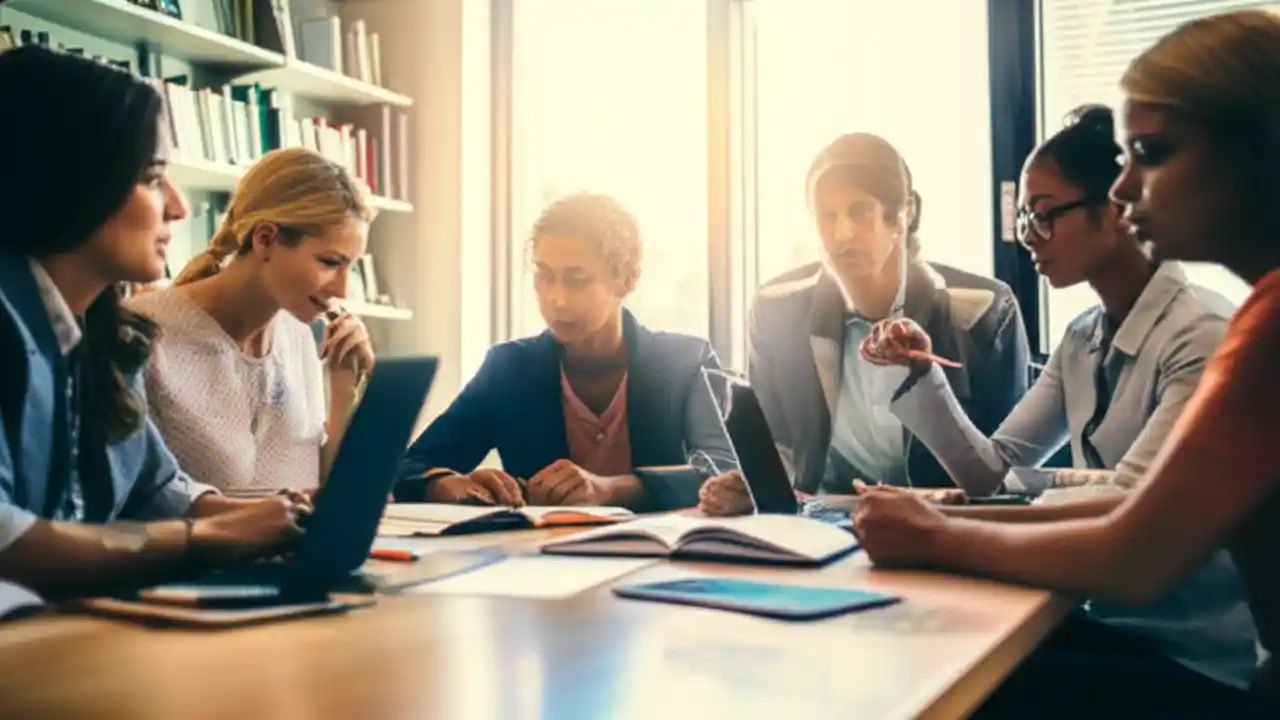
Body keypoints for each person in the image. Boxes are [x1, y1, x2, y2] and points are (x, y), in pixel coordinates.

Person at [853, 10, 1280, 715]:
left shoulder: (1223, 331)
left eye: (1151, 151)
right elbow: (996, 475)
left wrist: (939, 533)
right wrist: (922, 384)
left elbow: (1134, 544)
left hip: (1206, 667)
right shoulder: (1088, 335)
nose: (1123, 187)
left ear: (1256, 148)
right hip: (1138, 635)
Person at [0, 47, 306, 596]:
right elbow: (7, 541)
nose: (178, 208)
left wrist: (279, 514)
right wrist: (197, 540)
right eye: (152, 177)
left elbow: (155, 487)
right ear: (70, 178)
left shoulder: (104, 339)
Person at [699, 134, 1030, 516]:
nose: (842, 234)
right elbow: (781, 448)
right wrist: (751, 485)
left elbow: (1007, 472)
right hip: (823, 525)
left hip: (949, 524)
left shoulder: (985, 312)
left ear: (905, 214)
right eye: (827, 215)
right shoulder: (777, 311)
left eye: (860, 211)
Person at [396, 193, 735, 510]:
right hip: (541, 561)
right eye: (544, 277)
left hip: (666, 559)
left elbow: (726, 474)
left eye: (576, 280)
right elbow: (408, 467)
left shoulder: (687, 362)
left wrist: (608, 488)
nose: (555, 298)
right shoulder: (508, 369)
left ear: (627, 279)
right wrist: (450, 484)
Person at [126, 148, 376, 497]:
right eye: (330, 262)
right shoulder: (146, 333)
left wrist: (344, 389)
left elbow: (325, 490)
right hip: (196, 552)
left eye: (351, 267)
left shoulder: (300, 336)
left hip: (297, 550)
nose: (343, 289)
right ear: (265, 239)